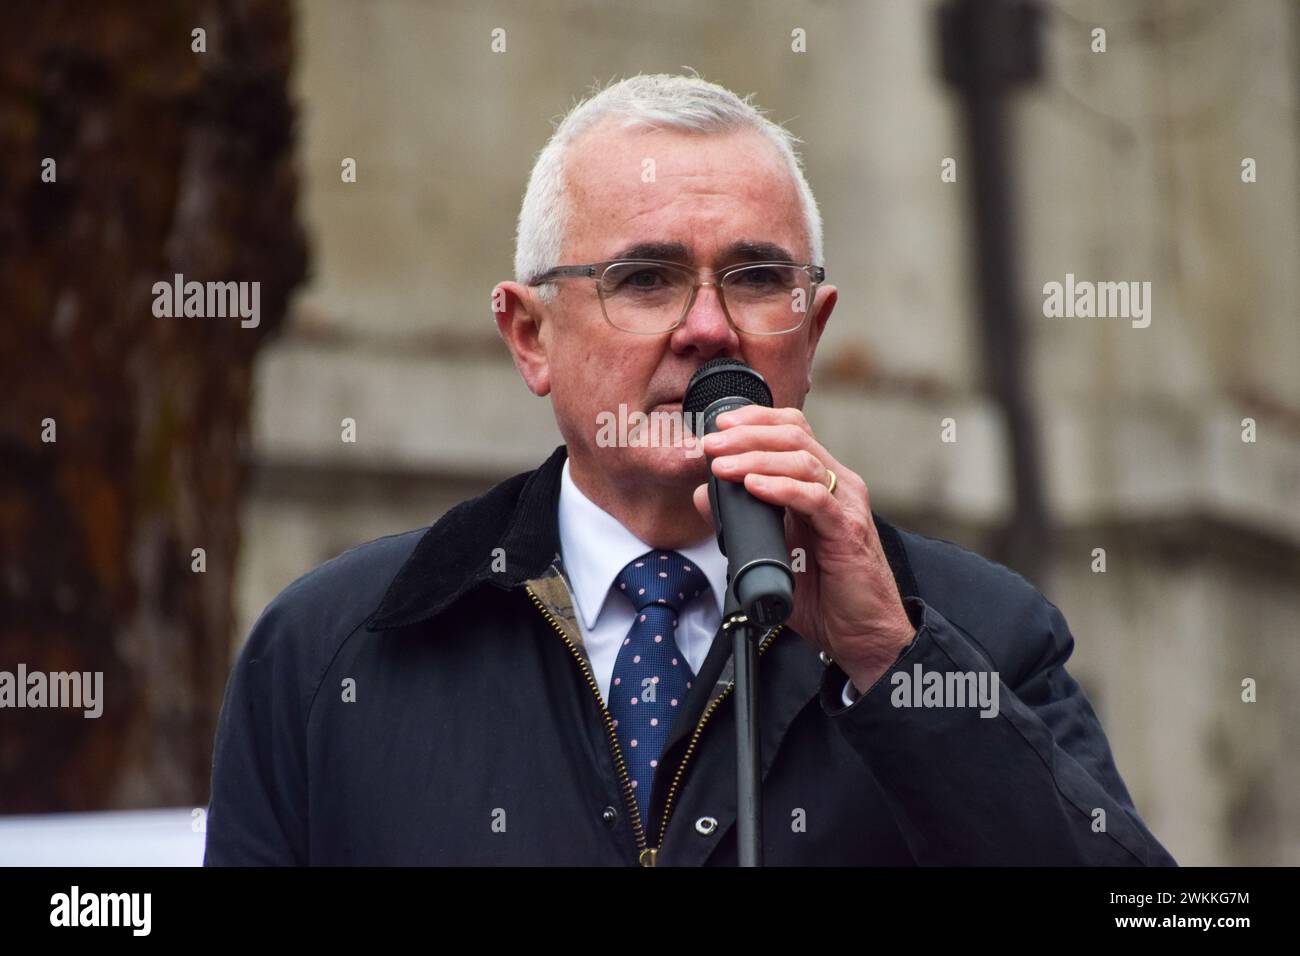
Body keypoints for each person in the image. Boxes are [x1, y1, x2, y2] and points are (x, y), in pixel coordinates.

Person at [204, 73, 1175, 866]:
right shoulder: (335, 650)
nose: (708, 327)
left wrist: (891, 660)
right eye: (644, 278)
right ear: (528, 334)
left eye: (757, 279)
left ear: (812, 330)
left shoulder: (977, 631)